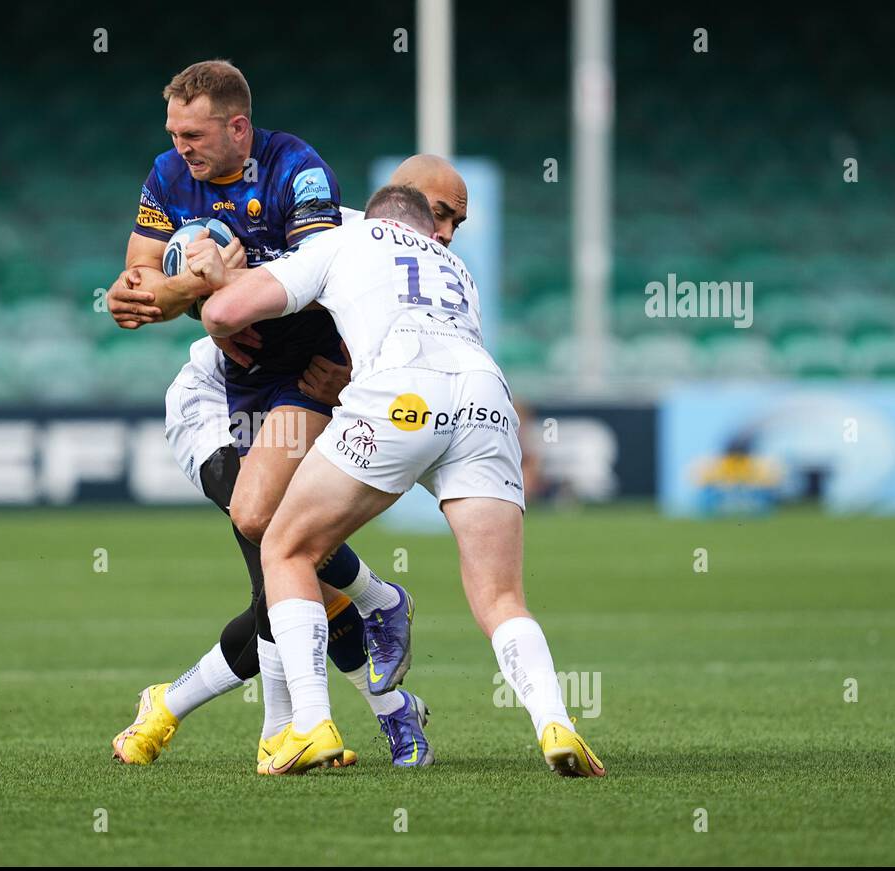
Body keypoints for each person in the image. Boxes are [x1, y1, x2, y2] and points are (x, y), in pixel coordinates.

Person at [189, 184, 607, 778]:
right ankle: (555, 723)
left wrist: (215, 278)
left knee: (286, 546)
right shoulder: (457, 268)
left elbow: (225, 314)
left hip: (403, 394)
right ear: (422, 225)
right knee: (501, 597)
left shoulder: (344, 238)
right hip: (487, 397)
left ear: (373, 214)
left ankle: (311, 726)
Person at [104, 61, 420, 769]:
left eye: (193, 135)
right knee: (282, 552)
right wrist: (191, 292)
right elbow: (140, 279)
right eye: (174, 133)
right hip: (218, 397)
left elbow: (309, 282)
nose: (180, 147)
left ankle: (230, 714)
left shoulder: (300, 174)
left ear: (238, 127)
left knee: (279, 545)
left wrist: (216, 289)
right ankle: (360, 694)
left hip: (301, 382)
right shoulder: (167, 174)